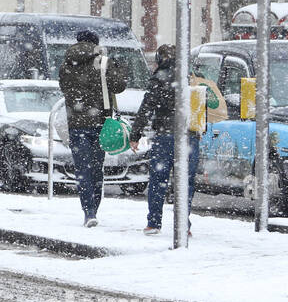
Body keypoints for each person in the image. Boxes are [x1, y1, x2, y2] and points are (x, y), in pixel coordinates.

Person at [128, 45, 223, 237]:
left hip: (165, 136)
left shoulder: (159, 78)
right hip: (189, 136)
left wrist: (135, 135)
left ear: (160, 58)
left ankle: (154, 222)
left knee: (158, 180)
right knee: (185, 183)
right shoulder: (192, 77)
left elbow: (146, 107)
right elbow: (201, 103)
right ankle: (183, 223)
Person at [58, 29, 127, 227]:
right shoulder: (103, 62)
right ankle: (94, 209)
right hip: (100, 122)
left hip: (76, 122)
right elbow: (119, 86)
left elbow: (64, 88)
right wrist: (119, 68)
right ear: (95, 43)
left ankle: (88, 211)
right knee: (97, 168)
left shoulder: (66, 63)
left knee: (82, 169)